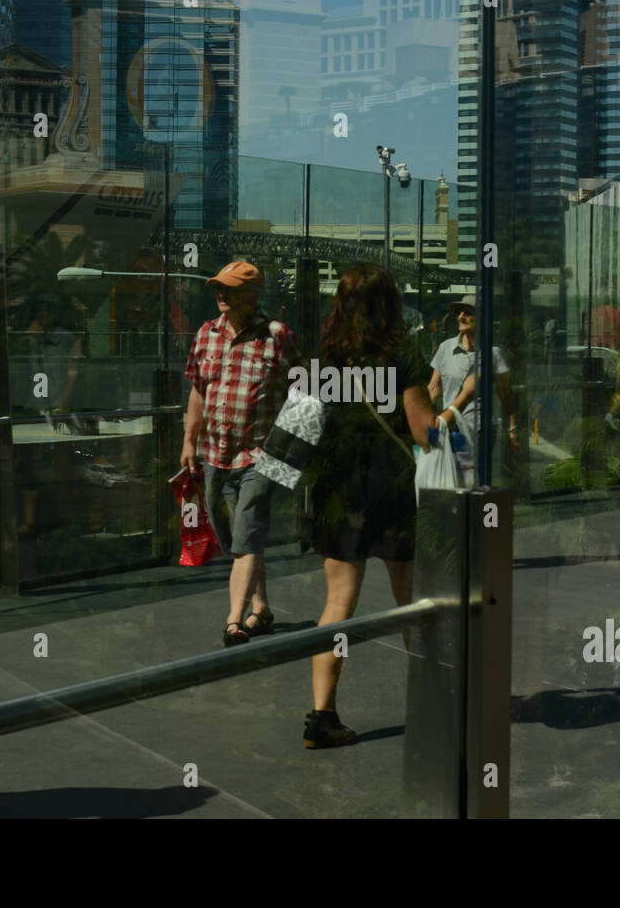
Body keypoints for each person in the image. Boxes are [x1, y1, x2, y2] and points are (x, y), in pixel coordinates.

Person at [302, 264, 444, 748]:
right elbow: (424, 429)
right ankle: (431, 705)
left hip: (338, 490)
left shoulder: (324, 355)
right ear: (390, 304)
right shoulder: (401, 354)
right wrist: (442, 406)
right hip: (391, 489)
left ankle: (322, 715)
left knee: (338, 602)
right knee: (410, 599)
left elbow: (303, 426)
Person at [182, 261, 299, 647]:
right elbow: (198, 391)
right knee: (238, 538)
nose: (221, 295)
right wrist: (188, 443)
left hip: (263, 455)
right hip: (216, 453)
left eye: (230, 290)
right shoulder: (206, 334)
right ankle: (261, 608)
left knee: (247, 531)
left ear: (252, 296)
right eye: (219, 288)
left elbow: (306, 394)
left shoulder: (277, 335)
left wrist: (291, 454)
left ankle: (234, 620)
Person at [428, 294, 519, 486]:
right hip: (452, 426)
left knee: (472, 480)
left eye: (468, 313)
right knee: (450, 479)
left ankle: (474, 513)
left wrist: (513, 428)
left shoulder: (492, 354)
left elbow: (506, 394)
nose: (460, 317)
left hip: (480, 429)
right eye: (459, 313)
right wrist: (427, 422)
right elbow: (434, 388)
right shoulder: (446, 348)